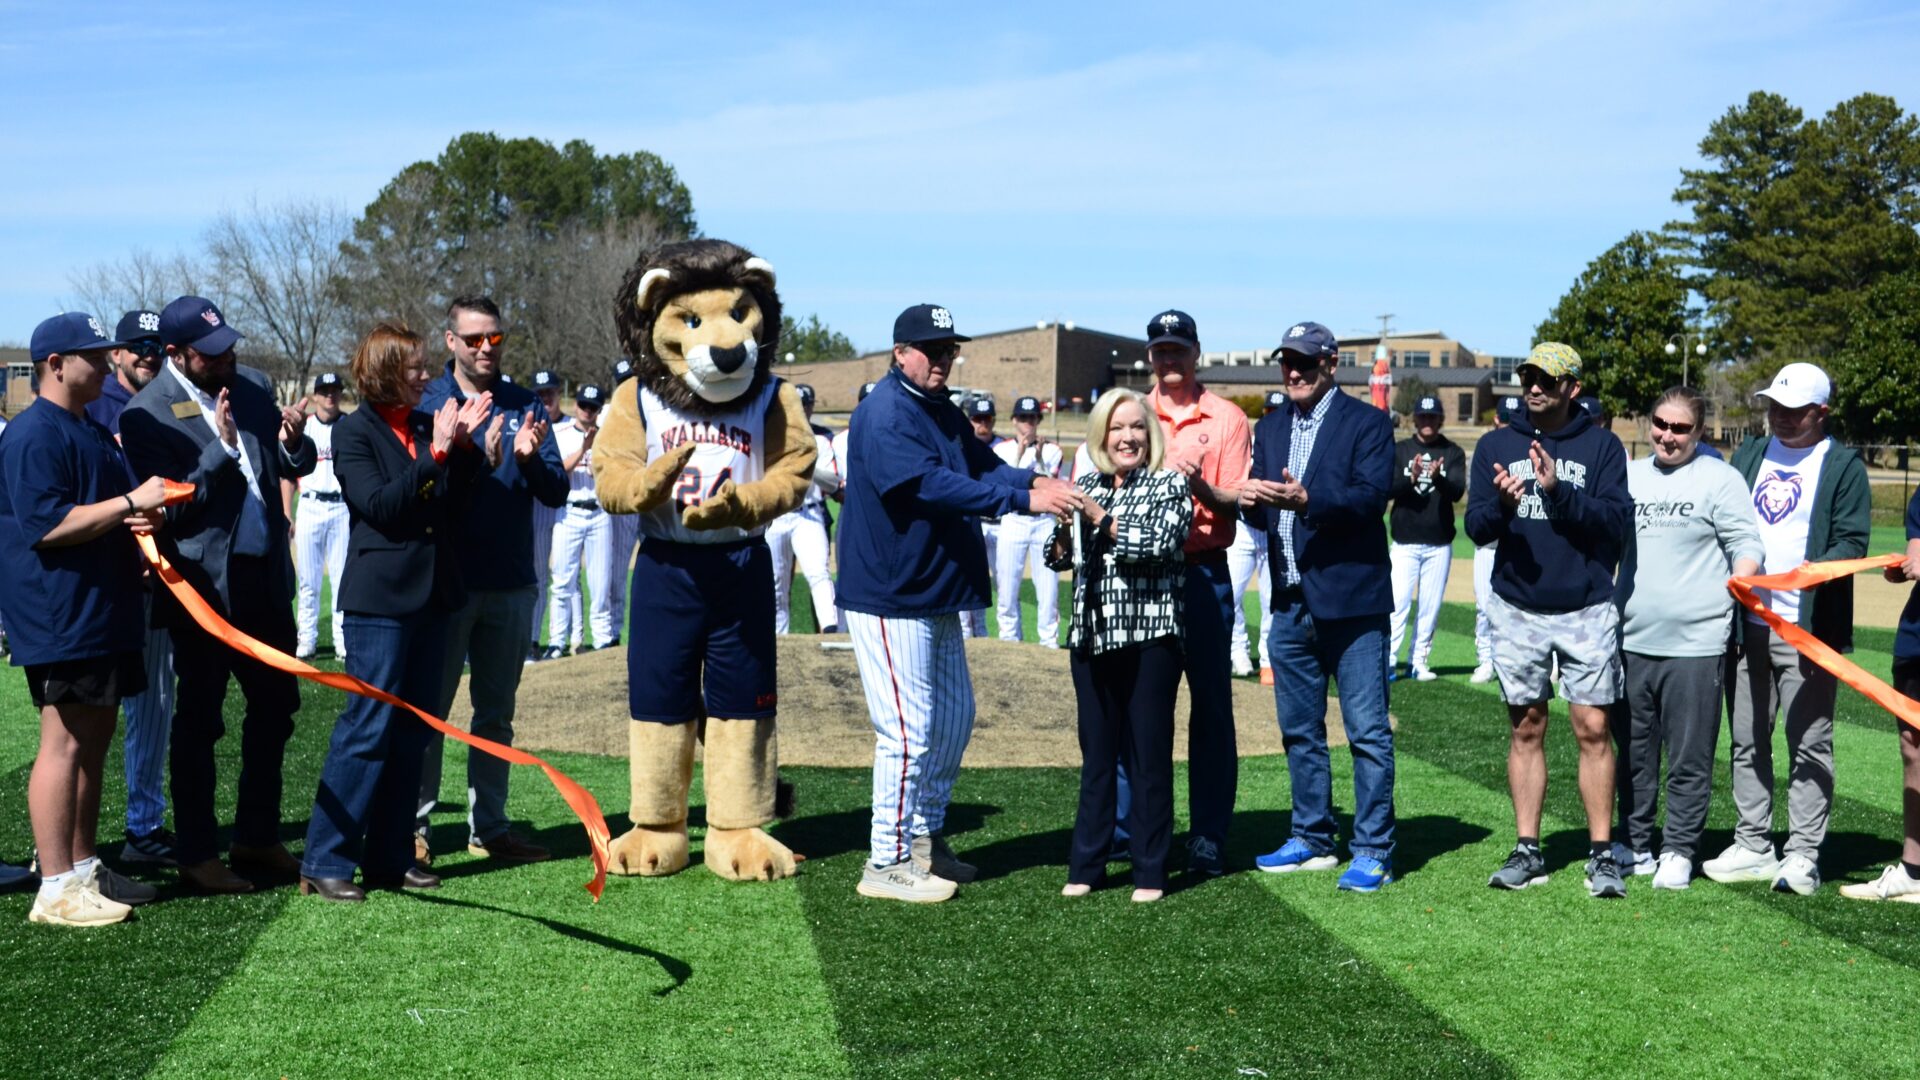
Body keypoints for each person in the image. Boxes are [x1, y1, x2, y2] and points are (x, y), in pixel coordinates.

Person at [838, 304, 1079, 903]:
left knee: (953, 719)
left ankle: (924, 838)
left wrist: (1030, 482)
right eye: (932, 348)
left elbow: (982, 464)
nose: (944, 358)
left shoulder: (938, 407)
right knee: (907, 730)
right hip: (892, 595)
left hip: (936, 589)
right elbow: (926, 486)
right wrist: (1019, 502)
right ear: (900, 353)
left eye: (949, 349)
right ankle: (885, 860)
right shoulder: (885, 412)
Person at [120, 296, 317, 895]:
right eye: (212, 352)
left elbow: (291, 464)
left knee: (277, 707)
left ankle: (256, 834)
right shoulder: (144, 414)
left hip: (263, 579)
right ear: (176, 355)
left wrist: (291, 444)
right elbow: (172, 507)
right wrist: (222, 450)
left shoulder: (252, 385)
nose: (226, 356)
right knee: (201, 720)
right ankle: (199, 852)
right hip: (204, 589)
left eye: (228, 344)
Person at [299, 324, 488, 902]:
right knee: (368, 728)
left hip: (434, 597)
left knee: (413, 733)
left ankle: (389, 855)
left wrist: (467, 449)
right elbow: (380, 505)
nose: (426, 376)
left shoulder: (432, 425)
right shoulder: (354, 434)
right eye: (415, 368)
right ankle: (325, 859)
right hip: (379, 602)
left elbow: (457, 503)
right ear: (383, 371)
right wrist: (434, 455)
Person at [1, 313, 171, 924]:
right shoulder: (32, 434)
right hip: (60, 612)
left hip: (103, 607)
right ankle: (54, 887)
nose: (106, 365)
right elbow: (47, 525)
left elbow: (117, 510)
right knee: (64, 742)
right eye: (93, 356)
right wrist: (129, 503)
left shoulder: (91, 430)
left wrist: (139, 522)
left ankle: (80, 867)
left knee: (94, 741)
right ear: (55, 364)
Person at [1466, 342, 1633, 898]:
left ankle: (1602, 854)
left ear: (1572, 388)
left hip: (1586, 605)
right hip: (1516, 606)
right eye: (1528, 376)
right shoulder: (1495, 442)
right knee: (1527, 727)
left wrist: (1559, 491)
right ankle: (1528, 849)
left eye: (1546, 379)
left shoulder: (1603, 446)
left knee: (1592, 729)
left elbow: (1613, 525)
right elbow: (1477, 528)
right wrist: (1505, 506)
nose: (1533, 386)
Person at [1242, 321, 1398, 892]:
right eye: (1287, 361)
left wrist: (1309, 500)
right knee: (1300, 731)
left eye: (1306, 362)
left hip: (1353, 604)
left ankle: (1374, 848)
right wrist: (1248, 501)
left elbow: (1368, 498)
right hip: (1288, 600)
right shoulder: (1271, 424)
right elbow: (1261, 507)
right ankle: (1311, 837)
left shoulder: (1369, 423)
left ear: (1331, 364)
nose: (1295, 371)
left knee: (1366, 733)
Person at [1705, 362, 1870, 895]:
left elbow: (1851, 542)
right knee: (1748, 740)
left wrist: (1807, 575)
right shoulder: (1751, 453)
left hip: (1808, 631)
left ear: (1821, 413)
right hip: (1746, 625)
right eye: (1774, 406)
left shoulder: (1843, 466)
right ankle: (1753, 843)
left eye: (1793, 411)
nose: (1779, 417)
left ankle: (1802, 854)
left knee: (1810, 744)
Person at [415, 295, 568, 867]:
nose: (485, 349)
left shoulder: (525, 403)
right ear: (450, 341)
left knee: (496, 713)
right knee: (431, 710)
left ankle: (490, 825)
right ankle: (416, 827)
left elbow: (556, 490)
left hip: (510, 580)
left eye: (494, 339)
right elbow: (422, 486)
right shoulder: (431, 401)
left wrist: (527, 461)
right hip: (447, 581)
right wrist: (468, 451)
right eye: (473, 339)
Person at [1614, 386, 1762, 889]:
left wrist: (1744, 575)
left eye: (1680, 428)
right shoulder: (1629, 475)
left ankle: (1678, 847)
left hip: (1696, 646)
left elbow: (1745, 542)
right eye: (1660, 423)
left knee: (1688, 756)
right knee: (1634, 754)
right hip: (1631, 640)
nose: (1667, 436)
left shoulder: (1720, 479)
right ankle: (1635, 843)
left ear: (1699, 431)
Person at [1047, 389, 1191, 902]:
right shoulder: (1085, 483)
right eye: (1116, 428)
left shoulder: (1170, 485)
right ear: (1101, 436)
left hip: (1151, 639)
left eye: (1135, 427)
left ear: (1149, 434)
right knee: (1097, 757)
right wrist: (1064, 534)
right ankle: (1087, 865)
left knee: (1148, 756)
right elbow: (1059, 558)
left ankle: (1150, 870)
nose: (1127, 437)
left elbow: (1155, 545)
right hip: (1091, 636)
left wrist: (1099, 517)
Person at [1140, 308, 1250, 875]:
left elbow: (1235, 497)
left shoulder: (1227, 417)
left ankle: (1207, 835)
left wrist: (1197, 483)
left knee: (1211, 709)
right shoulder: (1134, 413)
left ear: (1197, 351)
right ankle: (1138, 831)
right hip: (1144, 574)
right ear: (1150, 354)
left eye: (1178, 349)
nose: (1169, 358)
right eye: (1160, 349)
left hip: (1205, 568)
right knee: (1143, 709)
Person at [84, 310, 178, 866]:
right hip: (101, 578)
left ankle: (144, 826)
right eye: (137, 345)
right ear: (116, 353)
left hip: (156, 573)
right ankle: (76, 846)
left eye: (156, 345)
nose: (148, 353)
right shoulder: (92, 406)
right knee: (87, 718)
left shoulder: (170, 403)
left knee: (155, 704)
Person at [1843, 492, 1920, 902]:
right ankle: (1913, 869)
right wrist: (1904, 568)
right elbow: (1917, 547)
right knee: (1912, 747)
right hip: (1916, 638)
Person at [1386, 395, 1466, 682]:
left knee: (1429, 609)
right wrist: (1412, 478)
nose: (1427, 421)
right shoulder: (1401, 450)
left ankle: (1418, 662)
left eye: (1433, 417)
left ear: (1440, 419)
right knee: (1397, 604)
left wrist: (1437, 479)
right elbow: (1387, 488)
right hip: (1405, 542)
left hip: (1438, 542)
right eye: (1423, 416)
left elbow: (1457, 491)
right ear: (1414, 419)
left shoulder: (1452, 451)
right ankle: (1390, 660)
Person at [767, 383, 841, 634]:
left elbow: (833, 483)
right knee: (775, 581)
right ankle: (780, 638)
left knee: (818, 573)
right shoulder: (772, 435)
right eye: (795, 404)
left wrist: (808, 464)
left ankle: (831, 629)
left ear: (811, 407)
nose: (800, 409)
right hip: (777, 515)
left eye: (805, 404)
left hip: (808, 514)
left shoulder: (820, 440)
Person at [548, 383, 614, 657]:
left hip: (599, 512)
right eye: (583, 406)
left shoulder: (608, 436)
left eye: (593, 407)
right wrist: (584, 448)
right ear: (575, 406)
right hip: (570, 509)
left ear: (599, 410)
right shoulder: (560, 432)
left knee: (600, 583)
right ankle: (557, 641)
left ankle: (602, 640)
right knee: (562, 580)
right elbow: (558, 469)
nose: (587, 411)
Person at [994, 395, 1065, 647]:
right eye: (1023, 418)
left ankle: (1048, 640)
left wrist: (1038, 457)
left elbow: (1051, 482)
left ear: (1038, 420)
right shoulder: (1001, 449)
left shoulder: (1051, 450)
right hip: (1013, 519)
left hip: (1043, 520)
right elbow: (1002, 482)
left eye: (1032, 418)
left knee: (1047, 585)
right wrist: (1021, 454)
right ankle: (1009, 638)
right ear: (1014, 420)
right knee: (1007, 583)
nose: (1028, 423)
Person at [290, 372, 349, 662]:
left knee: (341, 579)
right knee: (308, 581)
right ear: (314, 395)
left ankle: (341, 639)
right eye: (324, 390)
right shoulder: (306, 427)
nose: (330, 395)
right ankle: (307, 640)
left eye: (335, 390)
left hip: (341, 507)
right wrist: (285, 510)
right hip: (311, 504)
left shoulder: (349, 427)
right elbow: (288, 473)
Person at [1225, 390, 1283, 681]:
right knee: (1231, 594)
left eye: (1278, 412)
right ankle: (1237, 651)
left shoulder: (1289, 446)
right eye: (1269, 411)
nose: (1272, 416)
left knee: (1270, 599)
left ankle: (1268, 659)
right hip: (1243, 529)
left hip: (1273, 530)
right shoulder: (1247, 444)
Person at [1470, 396, 1524, 684]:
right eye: (1506, 418)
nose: (1509, 424)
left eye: (1516, 418)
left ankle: (1514, 662)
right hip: (1488, 543)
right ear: (1496, 419)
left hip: (1516, 540)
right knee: (1484, 606)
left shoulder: (1526, 447)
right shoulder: (1487, 449)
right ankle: (1486, 660)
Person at [526, 369, 571, 661]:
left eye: (550, 393)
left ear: (558, 394)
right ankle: (532, 641)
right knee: (538, 575)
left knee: (564, 577)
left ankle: (559, 640)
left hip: (567, 509)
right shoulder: (528, 423)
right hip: (539, 508)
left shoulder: (572, 424)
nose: (546, 398)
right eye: (540, 394)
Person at [958, 396, 1003, 638]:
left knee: (1002, 584)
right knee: (968, 579)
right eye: (977, 418)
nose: (982, 424)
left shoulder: (1002, 447)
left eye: (986, 419)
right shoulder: (961, 448)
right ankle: (967, 633)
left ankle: (986, 635)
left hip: (1001, 524)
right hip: (973, 522)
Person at [605, 358, 640, 647]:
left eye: (631, 377)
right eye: (623, 379)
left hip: (657, 502)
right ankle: (615, 634)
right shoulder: (609, 414)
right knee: (617, 570)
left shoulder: (654, 405)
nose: (628, 383)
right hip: (627, 502)